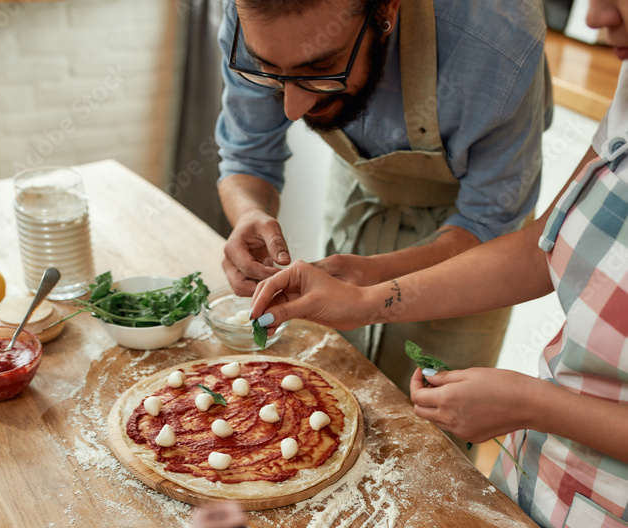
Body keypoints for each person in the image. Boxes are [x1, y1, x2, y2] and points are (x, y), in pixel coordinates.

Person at [248, 1, 628, 528]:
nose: (596, 11)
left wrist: (536, 403)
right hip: (536, 491)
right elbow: (541, 247)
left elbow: (496, 222)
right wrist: (368, 297)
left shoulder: (497, 38)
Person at [215, 0, 552, 392]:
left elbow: (487, 223)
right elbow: (247, 154)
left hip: (473, 247)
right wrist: (248, 212)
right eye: (270, 71)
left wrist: (376, 276)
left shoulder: (499, 37)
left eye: (321, 70)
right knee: (336, 390)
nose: (293, 108)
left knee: (429, 425)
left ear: (386, 10)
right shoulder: (249, 11)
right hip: (365, 194)